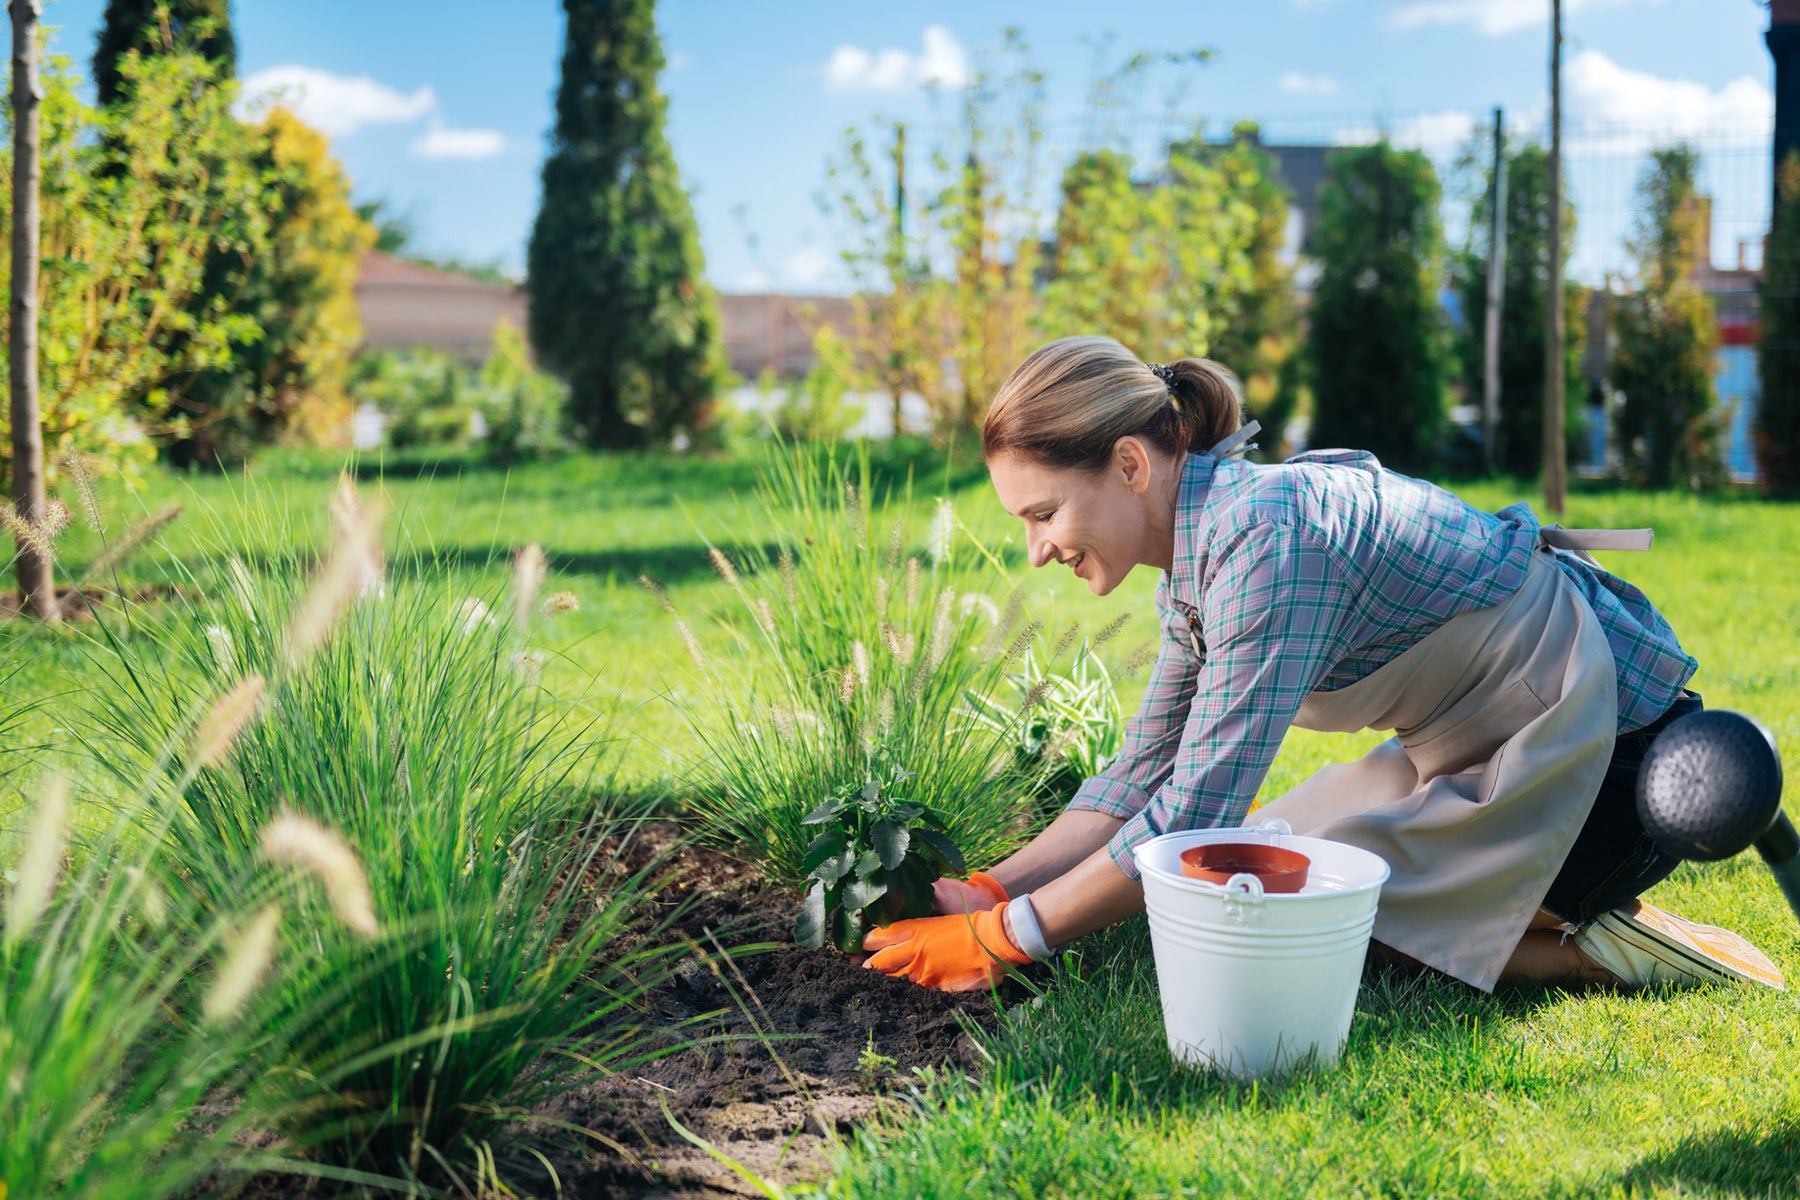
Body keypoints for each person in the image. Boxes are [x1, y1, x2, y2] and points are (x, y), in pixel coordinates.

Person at [862, 334, 1786, 995]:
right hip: (1488, 744)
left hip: (1618, 767)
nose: (1036, 549)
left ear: (1131, 465)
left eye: (1043, 514)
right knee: (1252, 884)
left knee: (1312, 916)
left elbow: (1191, 814)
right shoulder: (1196, 563)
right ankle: (1529, 913)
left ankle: (1618, 953)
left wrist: (1004, 939)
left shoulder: (1265, 543)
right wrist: (989, 887)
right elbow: (1139, 776)